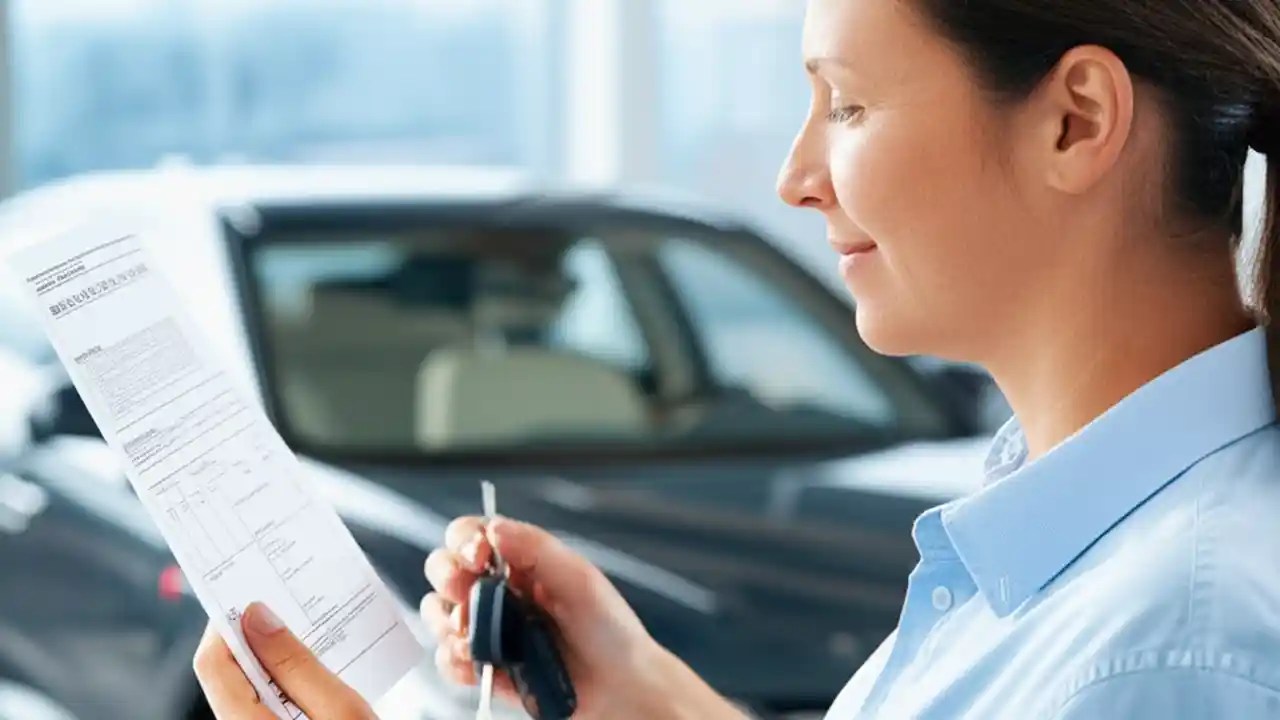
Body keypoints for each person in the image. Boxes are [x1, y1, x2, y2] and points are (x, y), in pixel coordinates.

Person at [195, 0, 1280, 716]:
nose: (794, 175)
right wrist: (649, 698)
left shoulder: (1167, 654)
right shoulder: (1081, 554)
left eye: (847, 103)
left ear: (1073, 121)